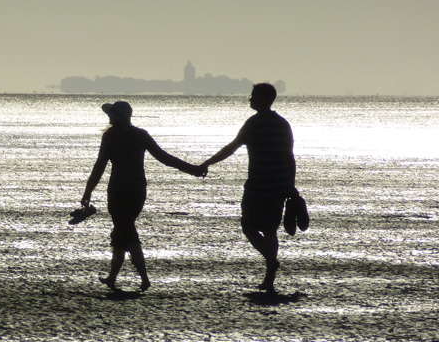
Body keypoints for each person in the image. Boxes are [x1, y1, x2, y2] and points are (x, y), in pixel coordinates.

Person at [81, 101, 203, 292]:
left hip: (118, 190)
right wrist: (192, 169)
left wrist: (88, 191)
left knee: (126, 232)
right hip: (138, 191)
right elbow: (164, 158)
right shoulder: (140, 135)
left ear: (115, 117)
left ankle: (144, 279)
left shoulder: (111, 136)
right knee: (122, 231)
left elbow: (100, 165)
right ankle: (112, 278)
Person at [199, 83, 297, 293]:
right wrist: (291, 185)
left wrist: (207, 163)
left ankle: (271, 261)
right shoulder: (283, 124)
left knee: (248, 226)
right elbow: (290, 158)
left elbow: (231, 148)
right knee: (270, 230)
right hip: (279, 185)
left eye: (253, 96)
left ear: (262, 99)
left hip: (258, 186)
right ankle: (269, 277)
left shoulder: (253, 124)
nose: (249, 99)